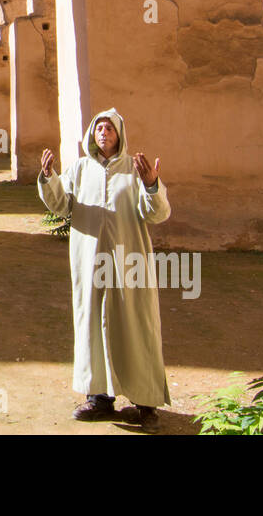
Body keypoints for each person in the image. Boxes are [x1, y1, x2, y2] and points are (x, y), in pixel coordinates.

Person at [38, 107, 171, 433]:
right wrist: (48, 178)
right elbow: (60, 204)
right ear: (92, 135)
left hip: (130, 264)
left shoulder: (133, 170)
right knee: (92, 325)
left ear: (120, 134)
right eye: (99, 128)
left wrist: (152, 186)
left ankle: (146, 401)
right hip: (90, 264)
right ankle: (98, 398)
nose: (104, 133)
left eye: (110, 128)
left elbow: (157, 214)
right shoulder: (80, 169)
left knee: (137, 326)